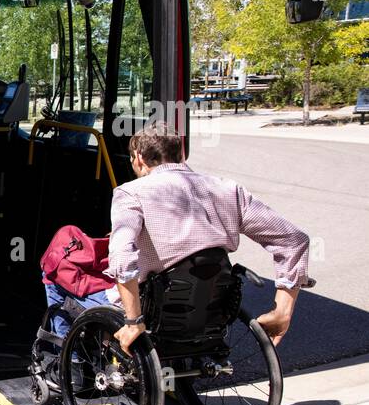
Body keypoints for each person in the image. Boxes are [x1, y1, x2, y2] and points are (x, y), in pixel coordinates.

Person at [106, 122, 313, 353]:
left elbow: (122, 257)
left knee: (64, 293)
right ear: (181, 154)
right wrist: (282, 311)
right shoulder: (228, 189)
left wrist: (134, 322)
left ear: (140, 158)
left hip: (152, 309)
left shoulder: (131, 193)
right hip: (213, 306)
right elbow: (294, 240)